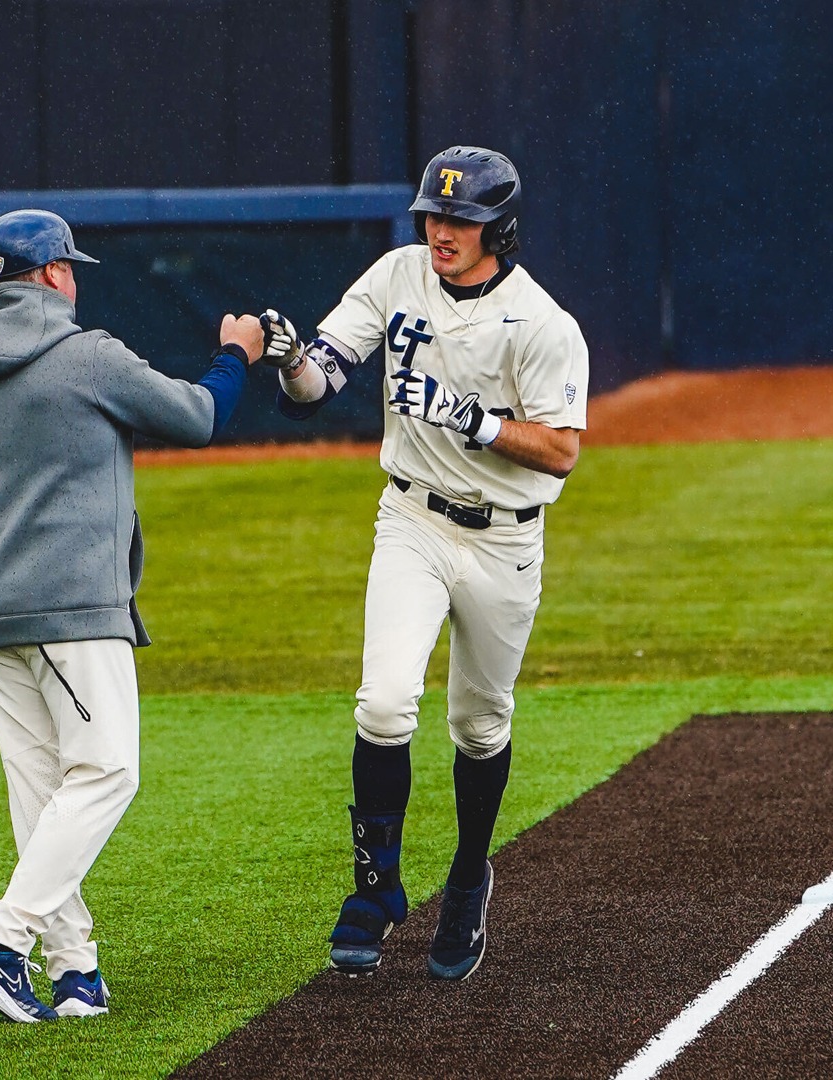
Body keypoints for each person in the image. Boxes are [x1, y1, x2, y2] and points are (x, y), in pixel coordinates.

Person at [0, 209, 263, 1021]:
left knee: (43, 790)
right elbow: (197, 417)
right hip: (73, 608)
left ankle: (75, 973)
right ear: (48, 276)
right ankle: (0, 942)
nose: (73, 278)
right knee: (108, 769)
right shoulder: (86, 356)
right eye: (68, 267)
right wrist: (234, 355)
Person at [259, 146, 588, 981]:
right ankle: (374, 890)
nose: (442, 231)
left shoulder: (543, 324)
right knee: (383, 702)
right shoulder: (399, 274)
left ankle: (470, 875)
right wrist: (292, 358)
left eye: (462, 220)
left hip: (504, 539)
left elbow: (560, 451)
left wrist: (470, 420)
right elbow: (318, 384)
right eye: (434, 215)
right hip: (410, 517)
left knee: (480, 723)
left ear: (498, 229)